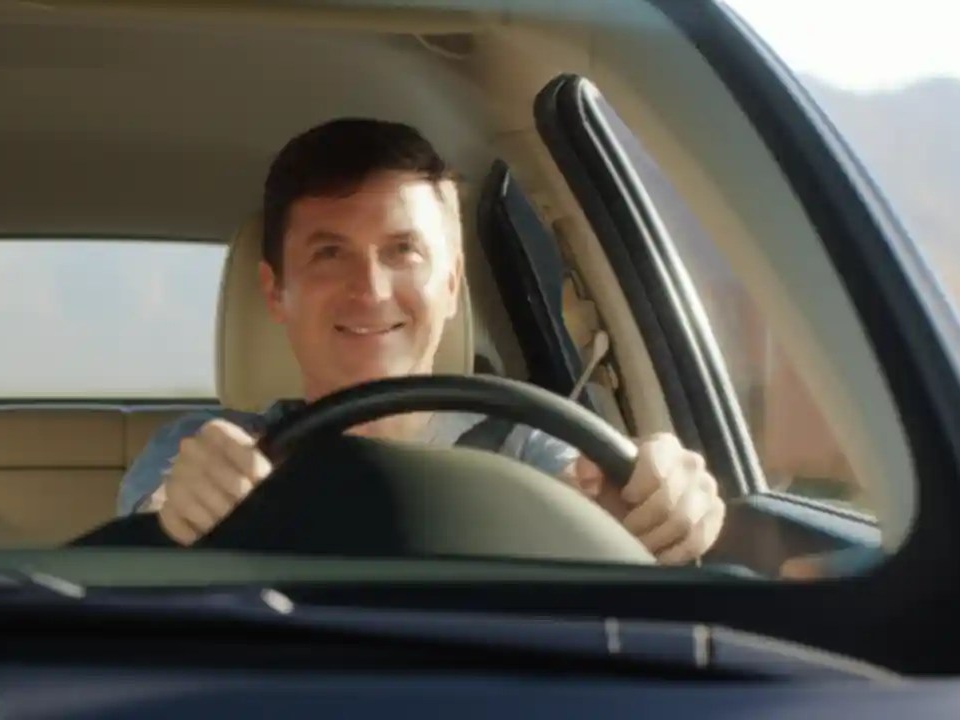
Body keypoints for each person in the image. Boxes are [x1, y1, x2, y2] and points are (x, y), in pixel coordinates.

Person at [116, 118, 725, 565]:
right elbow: (149, 534)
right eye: (330, 254)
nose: (371, 290)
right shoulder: (207, 450)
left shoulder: (531, 448)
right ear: (276, 292)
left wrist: (655, 503)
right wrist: (175, 516)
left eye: (402, 251)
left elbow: (599, 498)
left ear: (452, 283)